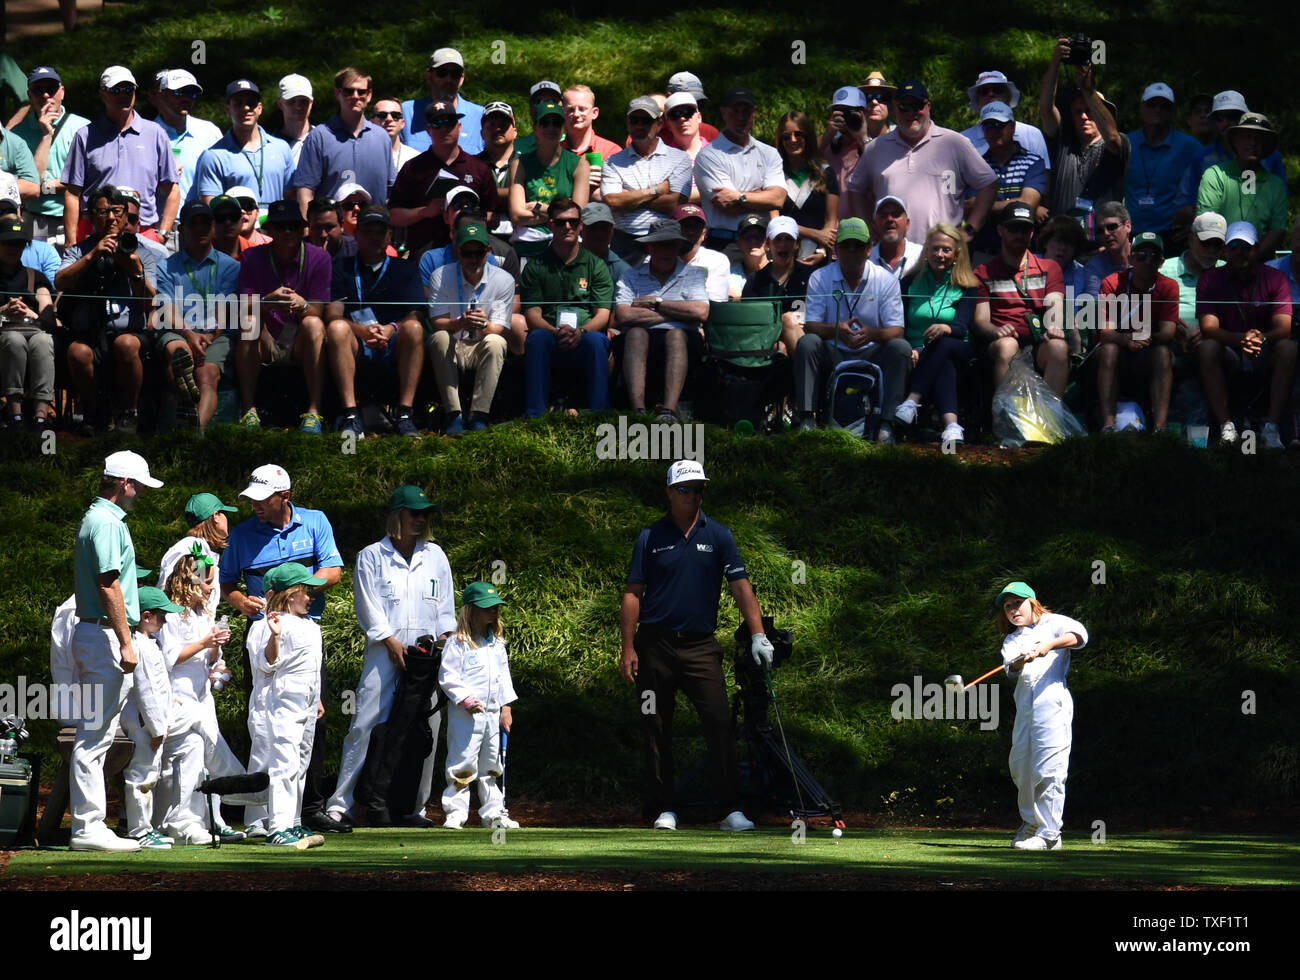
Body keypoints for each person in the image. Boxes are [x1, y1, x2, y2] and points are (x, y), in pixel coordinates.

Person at [620, 459, 773, 831]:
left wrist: (757, 635)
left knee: (719, 721)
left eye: (699, 489)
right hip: (654, 646)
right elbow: (632, 593)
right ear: (670, 492)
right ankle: (663, 809)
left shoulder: (719, 535)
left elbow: (740, 586)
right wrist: (628, 647)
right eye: (686, 489)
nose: (694, 495)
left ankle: (730, 808)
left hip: (701, 647)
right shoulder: (650, 537)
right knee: (654, 724)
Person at [220, 464, 345, 836]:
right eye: (252, 498)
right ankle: (263, 817)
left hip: (305, 629)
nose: (255, 505)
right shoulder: (242, 535)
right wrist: (242, 602)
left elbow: (333, 570)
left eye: (263, 498)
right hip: (264, 626)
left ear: (284, 497)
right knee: (266, 724)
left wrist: (296, 595)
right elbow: (228, 582)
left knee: (311, 724)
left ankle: (305, 809)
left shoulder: (315, 521)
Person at [329, 486, 456, 828]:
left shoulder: (436, 556)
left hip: (426, 657)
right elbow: (367, 605)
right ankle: (343, 805)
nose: (420, 519)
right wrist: (389, 641)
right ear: (397, 515)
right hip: (384, 652)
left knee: (426, 727)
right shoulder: (372, 555)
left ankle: (411, 806)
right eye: (414, 513)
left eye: (424, 514)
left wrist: (443, 643)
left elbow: (445, 609)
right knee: (366, 724)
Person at [68, 450, 165, 851]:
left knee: (98, 734)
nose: (140, 493)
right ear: (124, 484)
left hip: (97, 633)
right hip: (104, 635)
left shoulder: (101, 519)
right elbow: (109, 585)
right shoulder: (107, 523)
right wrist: (127, 641)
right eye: (138, 485)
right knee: (94, 737)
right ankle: (88, 828)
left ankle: (89, 826)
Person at [56, 184, 159, 434]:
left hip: (129, 333)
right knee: (77, 352)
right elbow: (60, 281)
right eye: (103, 212)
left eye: (117, 211)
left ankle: (129, 413)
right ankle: (95, 412)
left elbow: (153, 299)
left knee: (125, 344)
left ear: (125, 216)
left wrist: (134, 271)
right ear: (91, 217)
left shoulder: (141, 252)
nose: (111, 217)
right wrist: (92, 255)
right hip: (88, 333)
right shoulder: (79, 251)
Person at [793, 216, 908, 439]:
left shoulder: (886, 279)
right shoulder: (820, 277)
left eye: (858, 245)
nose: (852, 251)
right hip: (834, 351)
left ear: (869, 249)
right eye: (846, 245)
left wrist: (871, 334)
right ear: (836, 249)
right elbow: (811, 326)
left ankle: (887, 424)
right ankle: (807, 418)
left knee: (900, 348)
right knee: (807, 343)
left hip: (872, 352)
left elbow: (897, 330)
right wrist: (837, 330)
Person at [846, 80, 996, 247]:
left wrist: (970, 230)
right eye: (904, 107)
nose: (911, 113)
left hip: (943, 253)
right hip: (893, 255)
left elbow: (988, 184)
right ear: (895, 108)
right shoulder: (876, 148)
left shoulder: (955, 143)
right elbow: (855, 188)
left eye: (917, 106)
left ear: (928, 106)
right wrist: (867, 228)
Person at [994, 581, 1087, 850]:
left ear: (1031, 602)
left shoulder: (1055, 622)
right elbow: (1012, 666)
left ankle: (1050, 834)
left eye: (1016, 604)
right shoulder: (1012, 639)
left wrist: (1049, 644)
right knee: (1021, 768)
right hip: (1025, 708)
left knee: (1049, 768)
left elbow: (1080, 636)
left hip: (1052, 704)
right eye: (1007, 607)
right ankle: (1031, 824)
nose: (1012, 610)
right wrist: (1025, 657)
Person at [243, 562, 329, 849]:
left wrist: (315, 697)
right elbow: (266, 664)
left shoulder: (310, 624)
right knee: (281, 761)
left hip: (304, 701)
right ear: (290, 594)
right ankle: (272, 825)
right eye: (305, 591)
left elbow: (312, 666)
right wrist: (275, 636)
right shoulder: (265, 625)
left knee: (300, 762)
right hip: (279, 701)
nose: (311, 596)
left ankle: (291, 821)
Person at [157, 549, 238, 844]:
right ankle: (242, 787)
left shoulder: (203, 613)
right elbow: (169, 657)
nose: (211, 588)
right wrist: (204, 642)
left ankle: (203, 821)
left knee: (200, 754)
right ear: (190, 581)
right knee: (189, 752)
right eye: (207, 583)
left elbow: (211, 659)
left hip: (202, 694)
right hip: (177, 694)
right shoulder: (169, 615)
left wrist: (215, 649)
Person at [324, 205, 425, 438]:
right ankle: (350, 414)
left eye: (380, 232)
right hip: (357, 343)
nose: (374, 237)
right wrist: (362, 331)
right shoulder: (341, 267)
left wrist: (391, 329)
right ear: (356, 235)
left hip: (393, 340)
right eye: (368, 231)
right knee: (337, 328)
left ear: (390, 235)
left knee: (415, 328)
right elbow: (333, 314)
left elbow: (416, 313)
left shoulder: (405, 268)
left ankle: (405, 414)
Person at [1195, 221, 1294, 448]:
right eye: (1234, 246)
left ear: (1257, 249)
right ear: (1225, 251)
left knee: (1289, 347)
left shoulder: (1275, 278)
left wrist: (1261, 338)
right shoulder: (1210, 279)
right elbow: (1208, 327)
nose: (1240, 252)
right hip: (1229, 350)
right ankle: (1226, 426)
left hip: (1264, 349)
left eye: (1246, 246)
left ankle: (1272, 427)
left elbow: (1284, 327)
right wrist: (1243, 339)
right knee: (1207, 346)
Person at [235, 200, 332, 432]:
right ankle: (249, 410)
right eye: (280, 227)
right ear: (269, 231)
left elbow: (321, 310)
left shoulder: (319, 258)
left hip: (299, 339)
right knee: (249, 321)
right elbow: (243, 306)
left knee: (314, 323)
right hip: (266, 339)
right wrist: (267, 302)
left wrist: (303, 305)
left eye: (292, 226)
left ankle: (314, 411)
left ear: (302, 229)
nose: (287, 231)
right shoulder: (252, 257)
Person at [519, 197, 613, 418]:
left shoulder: (596, 265)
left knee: (598, 340)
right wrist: (557, 332)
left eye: (573, 222)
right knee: (537, 338)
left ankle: (599, 414)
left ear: (581, 225)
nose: (567, 227)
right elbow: (532, 315)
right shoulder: (536, 266)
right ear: (550, 224)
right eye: (561, 222)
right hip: (551, 334)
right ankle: (536, 415)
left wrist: (581, 332)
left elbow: (603, 314)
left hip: (585, 334)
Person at [62, 66, 179, 242]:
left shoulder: (155, 133)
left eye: (128, 89)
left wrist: (162, 234)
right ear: (103, 94)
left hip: (143, 232)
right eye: (116, 90)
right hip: (96, 231)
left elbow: (172, 189)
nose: (123, 95)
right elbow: (72, 193)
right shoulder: (85, 136)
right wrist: (71, 241)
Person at [154, 200, 242, 428]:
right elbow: (166, 308)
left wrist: (210, 336)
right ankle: (190, 422)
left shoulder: (230, 266)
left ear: (213, 227)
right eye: (195, 223)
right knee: (179, 353)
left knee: (207, 375)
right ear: (182, 230)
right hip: (179, 332)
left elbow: (227, 308)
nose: (201, 228)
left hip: (216, 334)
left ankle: (194, 431)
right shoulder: (166, 266)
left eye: (206, 223)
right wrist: (189, 334)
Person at [439, 581, 518, 829]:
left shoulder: (497, 643)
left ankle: (494, 813)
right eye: (487, 608)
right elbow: (448, 676)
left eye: (495, 607)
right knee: (462, 763)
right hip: (467, 715)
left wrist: (506, 708)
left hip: (492, 714)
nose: (493, 612)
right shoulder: (458, 642)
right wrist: (466, 699)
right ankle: (455, 812)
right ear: (470, 610)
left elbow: (504, 677)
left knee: (492, 765)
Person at [893, 223, 980, 445]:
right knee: (943, 362)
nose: (939, 255)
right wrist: (908, 347)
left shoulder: (967, 285)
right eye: (935, 249)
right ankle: (951, 426)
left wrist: (945, 327)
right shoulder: (909, 282)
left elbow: (961, 327)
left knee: (943, 344)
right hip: (917, 349)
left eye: (946, 250)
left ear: (956, 253)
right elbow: (899, 324)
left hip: (958, 345)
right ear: (927, 251)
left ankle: (912, 401)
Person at [615, 219, 710, 420]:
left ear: (678, 247)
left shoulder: (693, 274)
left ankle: (669, 411)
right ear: (649, 247)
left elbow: (701, 312)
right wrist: (678, 313)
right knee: (636, 334)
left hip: (684, 338)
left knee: (675, 335)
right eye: (659, 245)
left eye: (670, 245)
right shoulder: (630, 275)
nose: (664, 251)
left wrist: (655, 302)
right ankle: (638, 411)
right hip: (641, 335)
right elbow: (623, 315)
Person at [427, 221, 514, 433]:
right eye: (467, 253)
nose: (473, 259)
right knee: (439, 337)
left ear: (488, 251)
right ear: (458, 251)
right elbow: (437, 321)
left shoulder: (504, 280)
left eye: (479, 253)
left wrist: (482, 325)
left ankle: (479, 415)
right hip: (454, 342)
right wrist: (459, 323)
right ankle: (453, 414)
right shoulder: (440, 275)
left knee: (496, 342)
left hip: (481, 343)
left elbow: (498, 329)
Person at [973, 203, 1069, 396]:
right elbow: (980, 321)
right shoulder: (982, 272)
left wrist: (1055, 325)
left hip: (1038, 342)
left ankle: (1050, 419)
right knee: (1008, 345)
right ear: (1001, 230)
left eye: (1025, 229)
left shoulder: (1050, 267)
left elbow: (1055, 303)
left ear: (1032, 233)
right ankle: (1008, 419)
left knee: (1058, 346)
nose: (1020, 234)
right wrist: (997, 331)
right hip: (1001, 344)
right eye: (1014, 228)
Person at [1094, 232, 1180, 433]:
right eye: (1141, 255)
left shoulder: (1168, 286)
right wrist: (1127, 339)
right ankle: (1108, 425)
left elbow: (1168, 333)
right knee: (1109, 350)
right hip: (1117, 347)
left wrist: (1145, 337)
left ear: (1161, 262)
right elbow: (1104, 331)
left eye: (1154, 256)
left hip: (1148, 348)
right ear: (1131, 259)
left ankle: (1160, 428)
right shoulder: (1112, 283)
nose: (1147, 261)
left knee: (1162, 353)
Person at [120, 585, 183, 849]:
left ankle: (146, 828)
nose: (166, 620)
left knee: (149, 774)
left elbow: (159, 685)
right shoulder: (140, 647)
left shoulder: (148, 643)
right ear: (146, 616)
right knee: (141, 776)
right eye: (162, 615)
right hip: (143, 723)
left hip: (152, 722)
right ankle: (139, 830)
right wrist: (156, 728)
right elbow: (145, 689)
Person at [388, 99, 495, 254]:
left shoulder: (478, 168)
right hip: (424, 251)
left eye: (450, 122)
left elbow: (491, 213)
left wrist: (468, 214)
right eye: (437, 123)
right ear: (428, 130)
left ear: (459, 127)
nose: (444, 128)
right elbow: (393, 216)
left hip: (470, 251)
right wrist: (424, 211)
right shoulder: (412, 168)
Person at [1038, 42, 1128, 222]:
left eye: (1091, 111)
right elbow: (1046, 109)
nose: (1085, 117)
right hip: (1063, 239)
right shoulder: (1063, 142)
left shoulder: (1119, 143)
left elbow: (1111, 137)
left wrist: (1088, 90)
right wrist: (1055, 62)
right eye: (1078, 112)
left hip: (1103, 240)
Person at [691, 88, 786, 257]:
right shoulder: (709, 156)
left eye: (746, 112)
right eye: (735, 112)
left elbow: (778, 199)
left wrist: (739, 196)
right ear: (724, 113)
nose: (741, 118)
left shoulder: (769, 153)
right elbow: (728, 206)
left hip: (762, 243)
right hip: (725, 245)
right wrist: (763, 195)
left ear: (754, 112)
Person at [291, 67, 395, 219]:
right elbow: (305, 191)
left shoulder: (382, 137)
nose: (355, 96)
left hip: (374, 230)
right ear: (337, 94)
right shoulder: (319, 137)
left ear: (369, 95)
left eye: (361, 92)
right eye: (348, 91)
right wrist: (309, 231)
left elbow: (390, 190)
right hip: (332, 232)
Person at [601, 97, 691, 265]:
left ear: (659, 123)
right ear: (628, 123)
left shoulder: (679, 159)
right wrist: (656, 190)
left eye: (646, 121)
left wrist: (629, 198)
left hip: (666, 240)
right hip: (624, 242)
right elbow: (613, 201)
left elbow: (676, 203)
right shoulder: (612, 161)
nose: (639, 126)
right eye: (634, 120)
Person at [192, 80, 295, 216]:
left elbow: (291, 196)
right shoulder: (213, 156)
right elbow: (211, 204)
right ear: (228, 110)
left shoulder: (281, 148)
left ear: (259, 108)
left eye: (251, 103)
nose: (246, 108)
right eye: (238, 103)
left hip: (276, 229)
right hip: (236, 231)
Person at [12, 66, 89, 245]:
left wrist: (50, 186)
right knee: (35, 272)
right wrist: (47, 135)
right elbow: (30, 183)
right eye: (38, 90)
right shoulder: (17, 135)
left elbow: (93, 180)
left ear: (62, 92)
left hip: (74, 221)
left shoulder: (83, 128)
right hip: (34, 221)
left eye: (51, 89)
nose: (46, 95)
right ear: (30, 96)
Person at [1196, 113, 1286, 260]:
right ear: (1235, 141)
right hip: (1219, 262)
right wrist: (1231, 255)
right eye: (1247, 137)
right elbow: (1207, 220)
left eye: (1259, 138)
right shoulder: (1216, 174)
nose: (1253, 143)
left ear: (1266, 146)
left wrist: (1249, 257)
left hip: (1260, 266)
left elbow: (1277, 229)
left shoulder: (1276, 185)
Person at [1124, 83, 1200, 250]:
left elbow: (1209, 191)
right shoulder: (1127, 143)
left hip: (1172, 235)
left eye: (1164, 105)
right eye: (1152, 104)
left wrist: (1196, 224)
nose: (1157, 109)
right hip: (1132, 233)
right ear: (1141, 107)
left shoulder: (1189, 146)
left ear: (1173, 111)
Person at [969, 101, 1047, 260]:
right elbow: (970, 206)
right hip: (985, 254)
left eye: (999, 124)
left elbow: (1027, 205)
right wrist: (1018, 203)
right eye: (988, 125)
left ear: (1012, 127)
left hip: (1025, 253)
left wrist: (985, 206)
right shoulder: (976, 165)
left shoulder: (1033, 161)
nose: (994, 130)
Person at [0, 214, 56, 429]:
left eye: (18, 243)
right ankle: (15, 412)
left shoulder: (35, 276)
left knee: (43, 342)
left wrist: (31, 314)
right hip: (5, 335)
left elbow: (48, 316)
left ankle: (41, 413)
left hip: (33, 333)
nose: (13, 248)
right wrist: (4, 311)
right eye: (7, 243)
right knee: (13, 340)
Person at [147, 69, 222, 207]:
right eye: (179, 92)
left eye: (191, 93)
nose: (186, 98)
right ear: (161, 95)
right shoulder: (145, 135)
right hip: (159, 224)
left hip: (201, 224)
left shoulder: (210, 133)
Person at [740, 215, 812, 354]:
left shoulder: (811, 277)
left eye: (789, 239)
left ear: (797, 244)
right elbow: (748, 325)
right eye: (778, 239)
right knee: (780, 349)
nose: (783, 245)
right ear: (768, 244)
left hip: (804, 339)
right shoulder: (755, 280)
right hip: (764, 343)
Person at [776, 110, 837, 264]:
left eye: (799, 134)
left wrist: (822, 251)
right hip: (781, 256)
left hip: (817, 257)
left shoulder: (826, 172)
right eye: (786, 136)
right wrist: (815, 234)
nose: (792, 140)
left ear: (808, 136)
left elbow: (831, 221)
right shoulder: (774, 173)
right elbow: (775, 221)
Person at [401, 48, 484, 156]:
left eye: (455, 74)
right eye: (442, 73)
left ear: (462, 79)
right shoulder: (407, 112)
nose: (448, 79)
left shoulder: (480, 116)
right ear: (429, 76)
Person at [959, 70, 1052, 164]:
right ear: (977, 101)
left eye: (997, 89)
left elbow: (1044, 175)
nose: (991, 94)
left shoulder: (1032, 134)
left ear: (1009, 96)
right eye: (984, 91)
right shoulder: (962, 140)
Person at [1161, 211, 1225, 345]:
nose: (1211, 250)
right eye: (1206, 243)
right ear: (1191, 240)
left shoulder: (1228, 272)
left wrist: (1211, 332)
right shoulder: (1163, 269)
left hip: (1216, 347)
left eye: (1217, 244)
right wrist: (1168, 322)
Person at [562, 85, 622, 200]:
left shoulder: (612, 151)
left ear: (594, 113)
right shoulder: (555, 152)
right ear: (563, 113)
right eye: (570, 109)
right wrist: (580, 181)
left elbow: (621, 196)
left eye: (582, 109)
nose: (576, 114)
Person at [476, 101, 517, 243]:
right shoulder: (471, 164)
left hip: (519, 241)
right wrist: (512, 193)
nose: (498, 129)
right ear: (482, 133)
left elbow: (529, 195)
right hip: (480, 241)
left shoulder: (528, 164)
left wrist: (486, 195)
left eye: (503, 124)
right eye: (491, 125)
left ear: (515, 132)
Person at [1083, 202, 1132, 297]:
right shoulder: (1094, 267)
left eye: (1111, 227)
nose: (1106, 233)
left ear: (1128, 226)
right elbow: (1093, 306)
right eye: (1100, 231)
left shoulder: (1145, 258)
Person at [868, 195, 922, 279]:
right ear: (875, 225)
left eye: (896, 215)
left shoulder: (921, 256)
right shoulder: (866, 259)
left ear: (907, 224)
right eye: (883, 215)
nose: (889, 219)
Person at [275, 74, 313, 166]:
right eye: (291, 101)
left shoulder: (323, 141)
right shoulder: (270, 147)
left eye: (304, 101)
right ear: (280, 104)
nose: (298, 106)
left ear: (311, 103)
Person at [374, 97, 419, 172]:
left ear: (402, 123)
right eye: (382, 115)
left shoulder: (415, 159)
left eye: (395, 115)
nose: (389, 119)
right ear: (372, 122)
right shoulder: (362, 156)